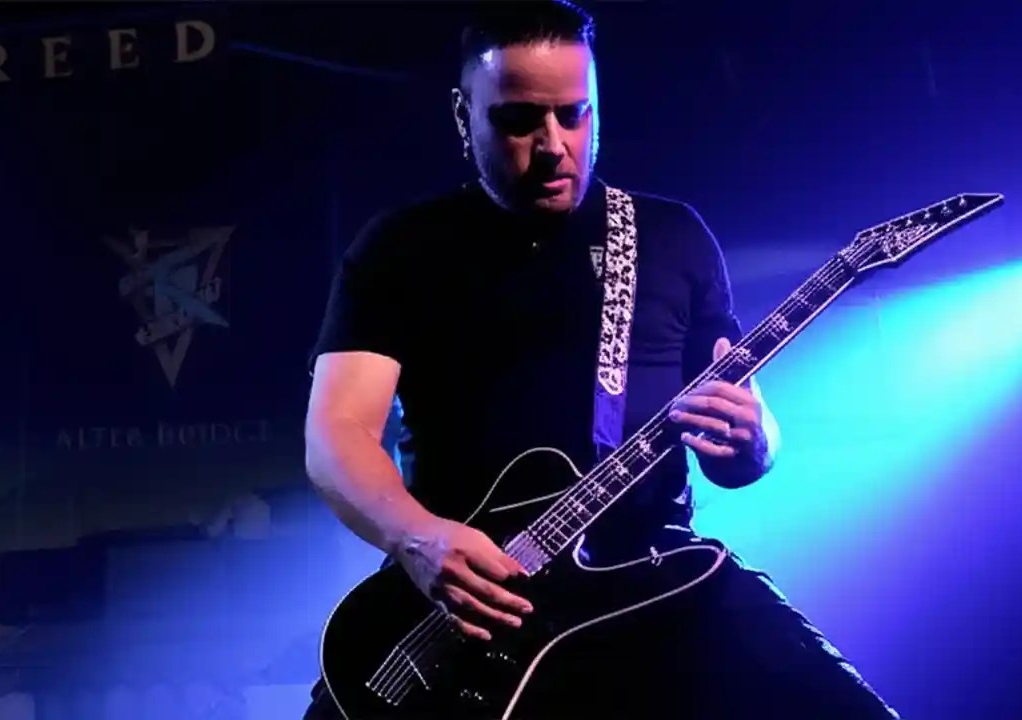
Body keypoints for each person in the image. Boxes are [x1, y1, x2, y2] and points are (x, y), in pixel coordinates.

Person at [302, 2, 900, 717]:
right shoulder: (400, 247)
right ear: (464, 117)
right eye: (519, 119)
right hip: (471, 607)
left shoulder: (669, 237)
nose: (553, 144)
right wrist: (418, 538)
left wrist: (753, 438)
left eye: (574, 114)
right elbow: (336, 434)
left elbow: (739, 452)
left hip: (654, 574)